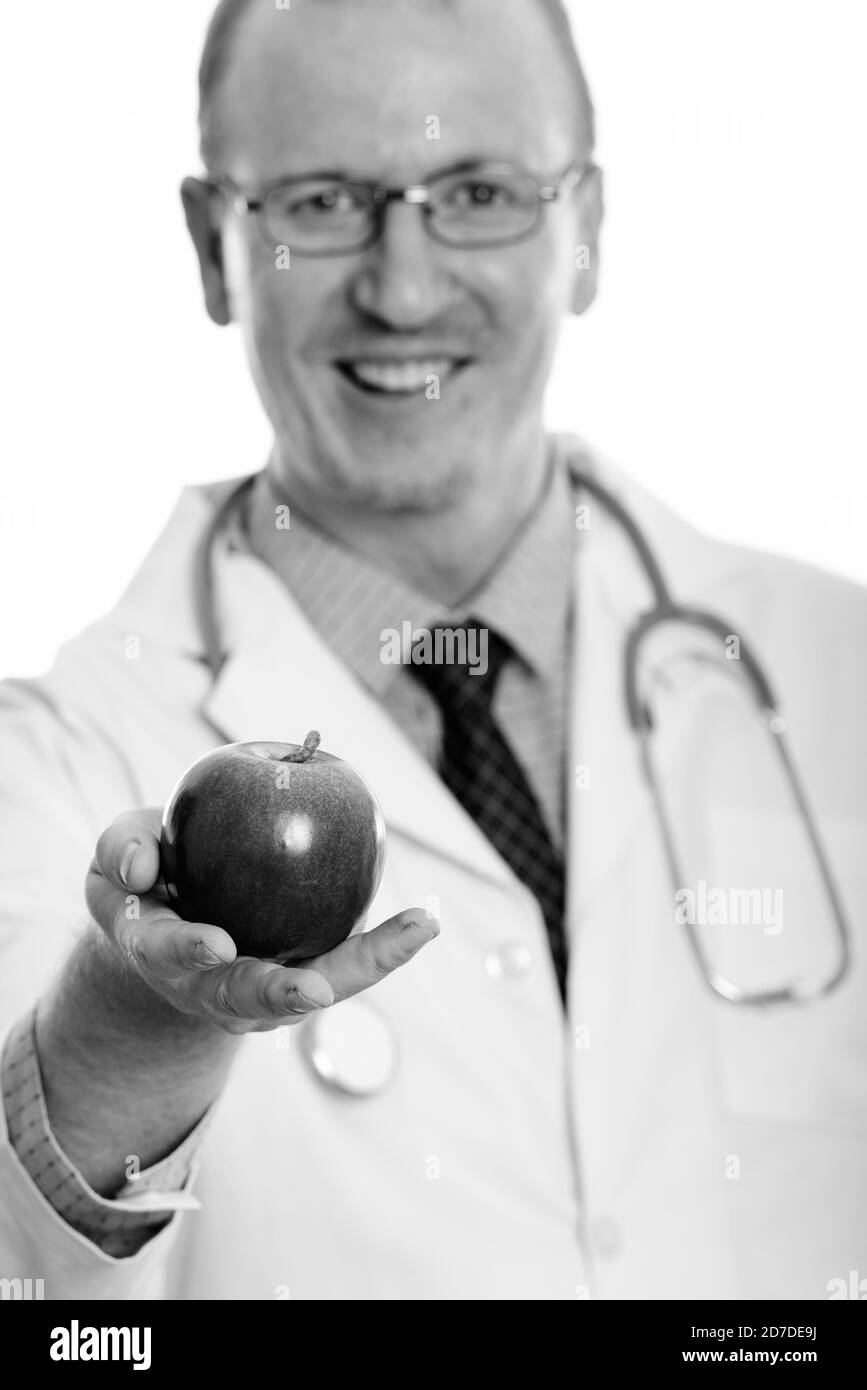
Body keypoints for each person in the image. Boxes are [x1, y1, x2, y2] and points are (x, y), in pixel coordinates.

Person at [1, 0, 865, 1302]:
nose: (402, 289)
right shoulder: (54, 764)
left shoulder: (835, 666)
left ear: (588, 234)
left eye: (478, 191)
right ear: (212, 250)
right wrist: (136, 1025)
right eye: (323, 199)